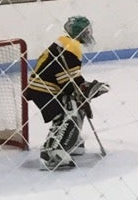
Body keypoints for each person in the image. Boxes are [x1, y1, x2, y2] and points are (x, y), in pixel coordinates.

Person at [25, 14, 108, 170]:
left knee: (75, 104)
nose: (88, 34)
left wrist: (84, 89)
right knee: (68, 112)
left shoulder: (66, 42)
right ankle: (53, 152)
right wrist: (83, 90)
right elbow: (68, 82)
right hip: (44, 89)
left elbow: (69, 77)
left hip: (44, 88)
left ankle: (71, 141)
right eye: (86, 31)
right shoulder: (71, 46)